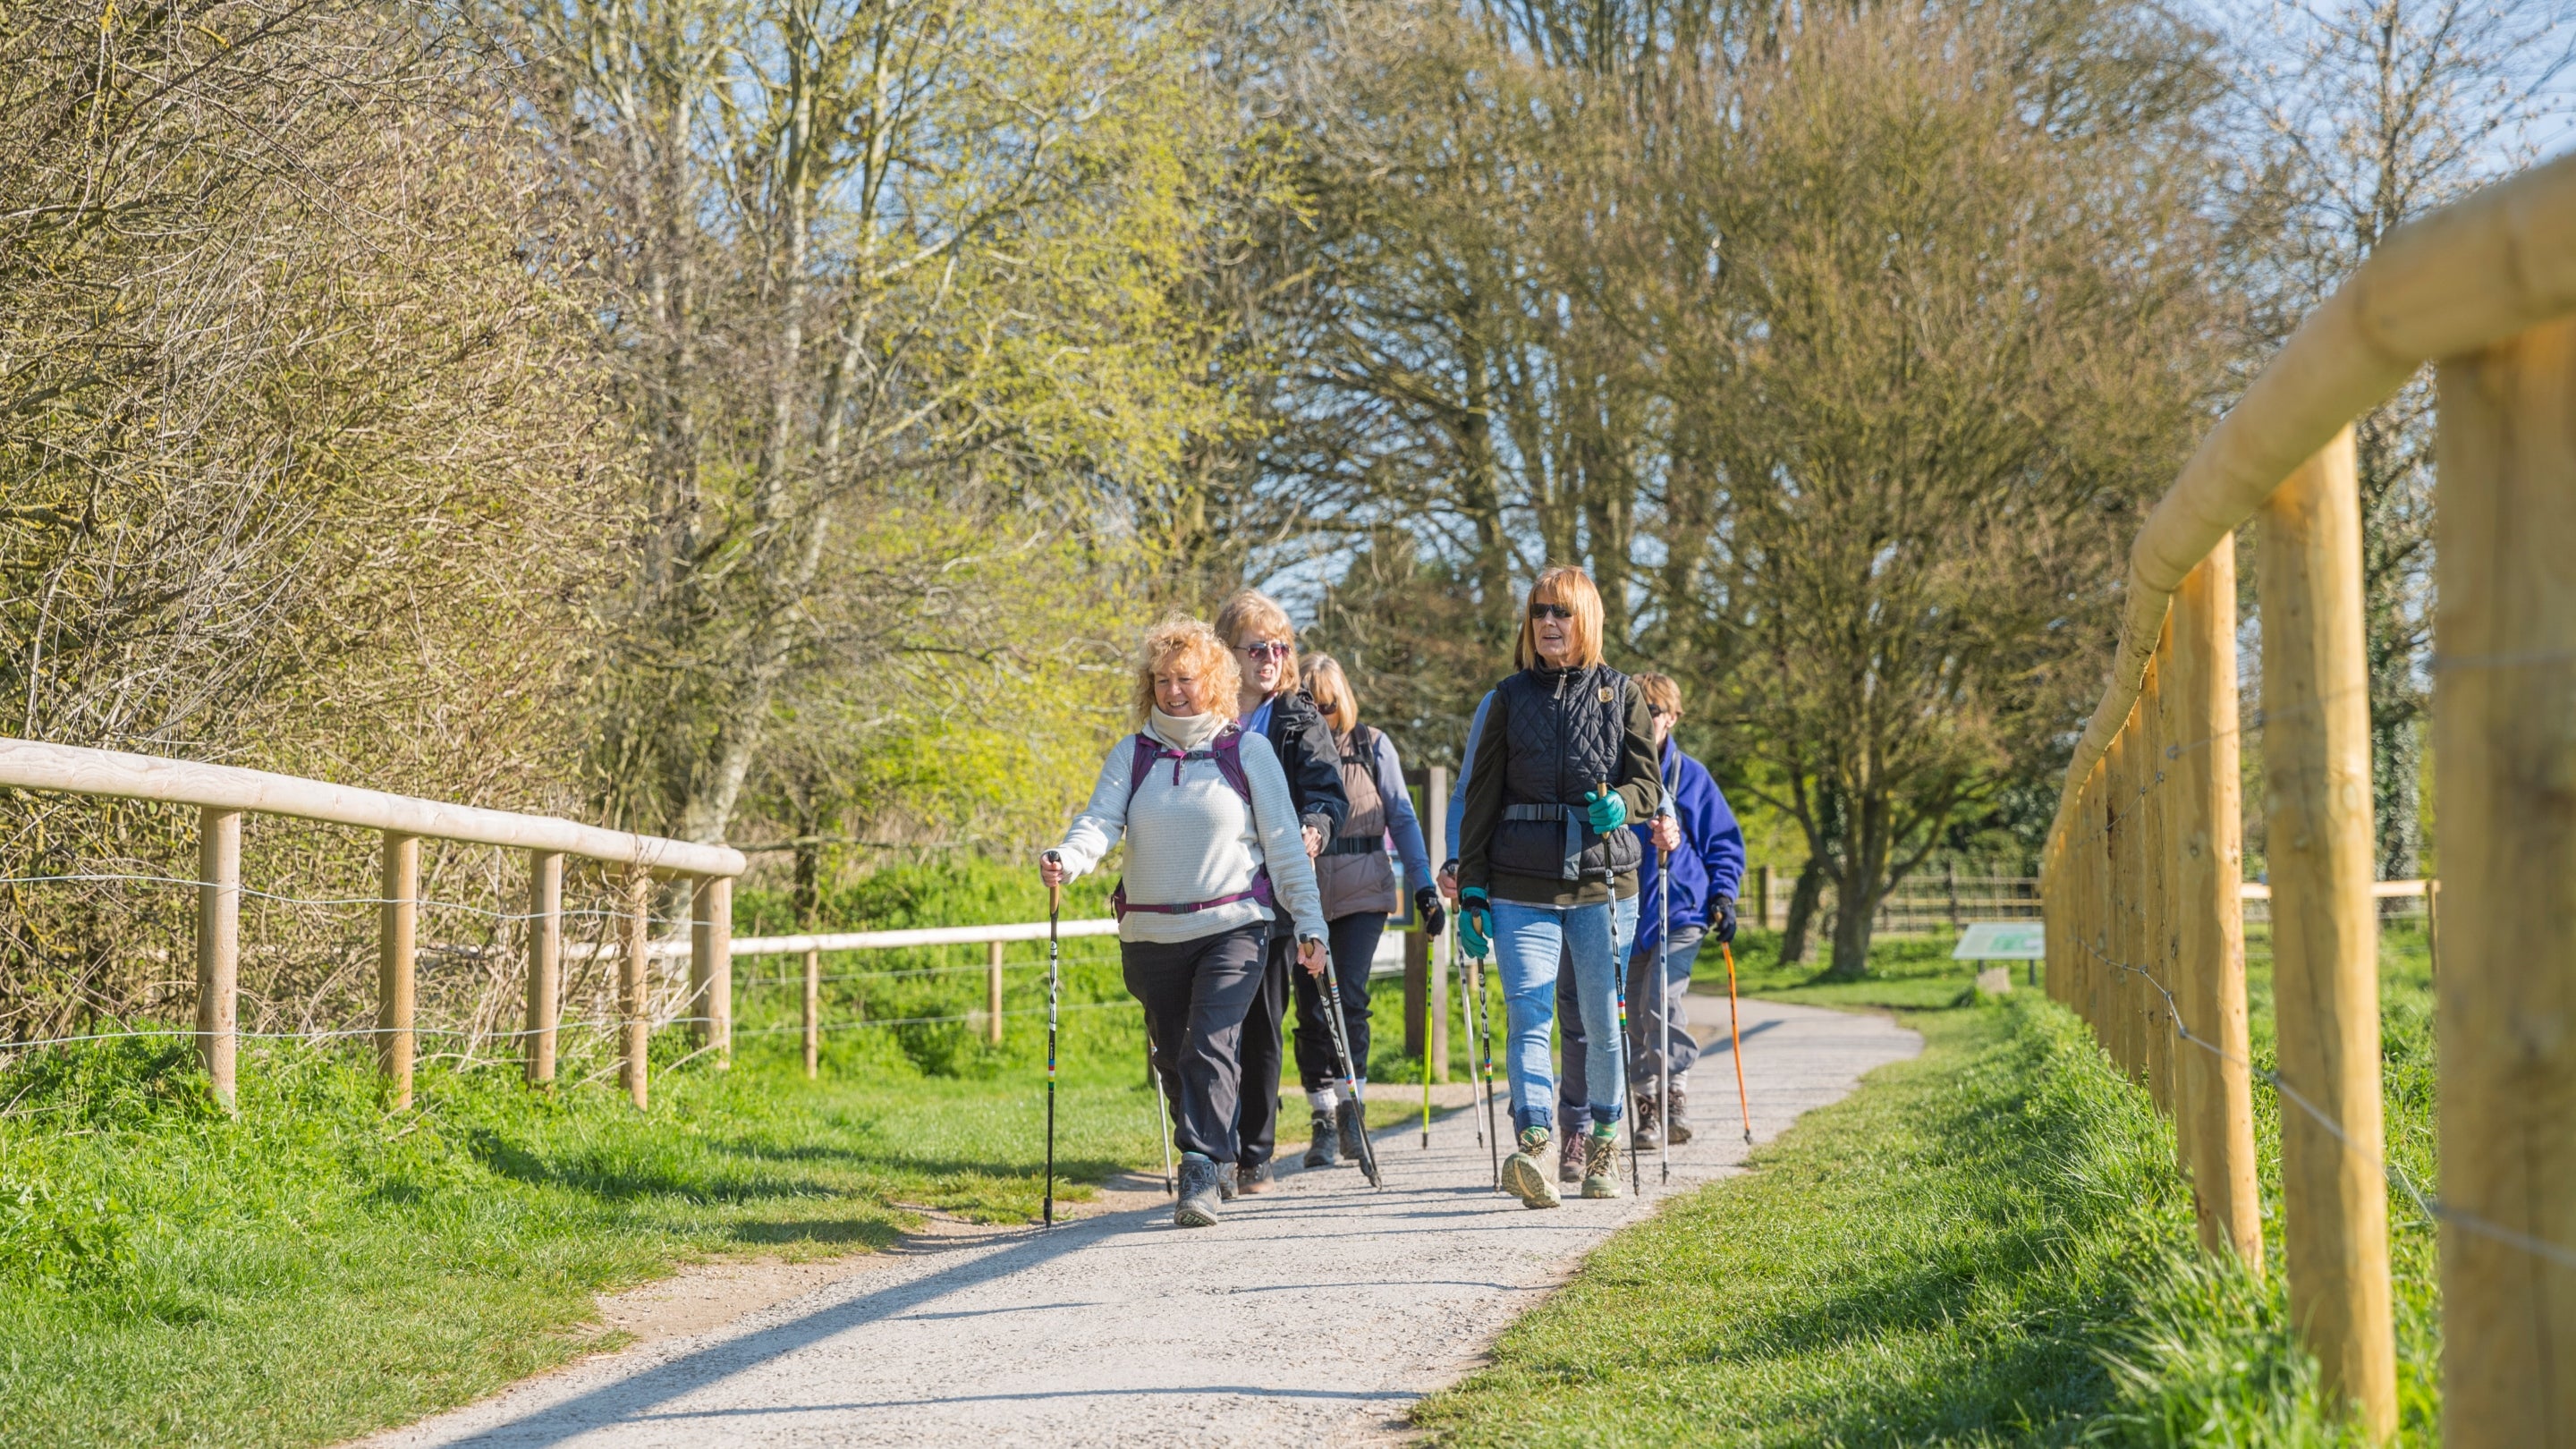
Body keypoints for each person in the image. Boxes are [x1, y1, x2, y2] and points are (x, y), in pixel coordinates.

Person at [1042, 616, 1329, 1227]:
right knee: (1174, 1058)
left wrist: (1310, 923)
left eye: (1187, 679)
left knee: (1209, 1045)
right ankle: (1215, 1151)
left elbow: (1282, 846)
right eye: (1163, 679)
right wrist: (1067, 859)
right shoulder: (1133, 753)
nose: (1174, 691)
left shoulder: (1246, 751)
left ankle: (1199, 1166)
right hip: (1151, 935)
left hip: (1234, 927)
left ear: (1216, 681)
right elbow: (1098, 822)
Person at [1453, 566, 1661, 1208]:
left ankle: (1603, 1147)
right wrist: (1472, 891)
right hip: (1521, 886)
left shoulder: (1622, 694)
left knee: (1602, 1021)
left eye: (1562, 612)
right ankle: (1536, 1145)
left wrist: (1622, 804)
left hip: (1605, 884)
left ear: (1586, 620)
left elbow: (1651, 788)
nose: (1548, 622)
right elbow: (1480, 799)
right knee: (1530, 1014)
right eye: (1540, 611)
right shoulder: (1508, 698)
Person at [1213, 590, 1348, 1195]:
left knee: (1263, 1023)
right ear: (1227, 654)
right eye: (1257, 647)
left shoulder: (1297, 716)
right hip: (1206, 887)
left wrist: (1315, 827)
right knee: (1210, 1029)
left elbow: (1327, 790)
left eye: (1280, 647)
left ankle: (1252, 1153)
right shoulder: (1200, 717)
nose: (1271, 657)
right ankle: (1207, 1145)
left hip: (1270, 894)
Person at [1295, 655, 1441, 1168]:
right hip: (1305, 893)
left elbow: (1402, 818)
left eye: (1329, 706)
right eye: (1310, 706)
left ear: (1344, 702)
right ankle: (1321, 1115)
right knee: (1311, 1009)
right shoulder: (1289, 752)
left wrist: (1424, 886)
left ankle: (1352, 1111)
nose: (1322, 717)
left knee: (1349, 996)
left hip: (1363, 891)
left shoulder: (1373, 746)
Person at [1620, 673, 1744, 1147]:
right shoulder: (1614, 773)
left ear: (1671, 718)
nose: (1644, 720)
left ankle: (1674, 1097)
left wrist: (1723, 896)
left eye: (1652, 711)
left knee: (1661, 1002)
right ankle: (1646, 1110)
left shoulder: (1691, 776)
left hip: (1682, 911)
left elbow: (1724, 843)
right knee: (1631, 1014)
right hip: (1626, 916)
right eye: (1635, 710)